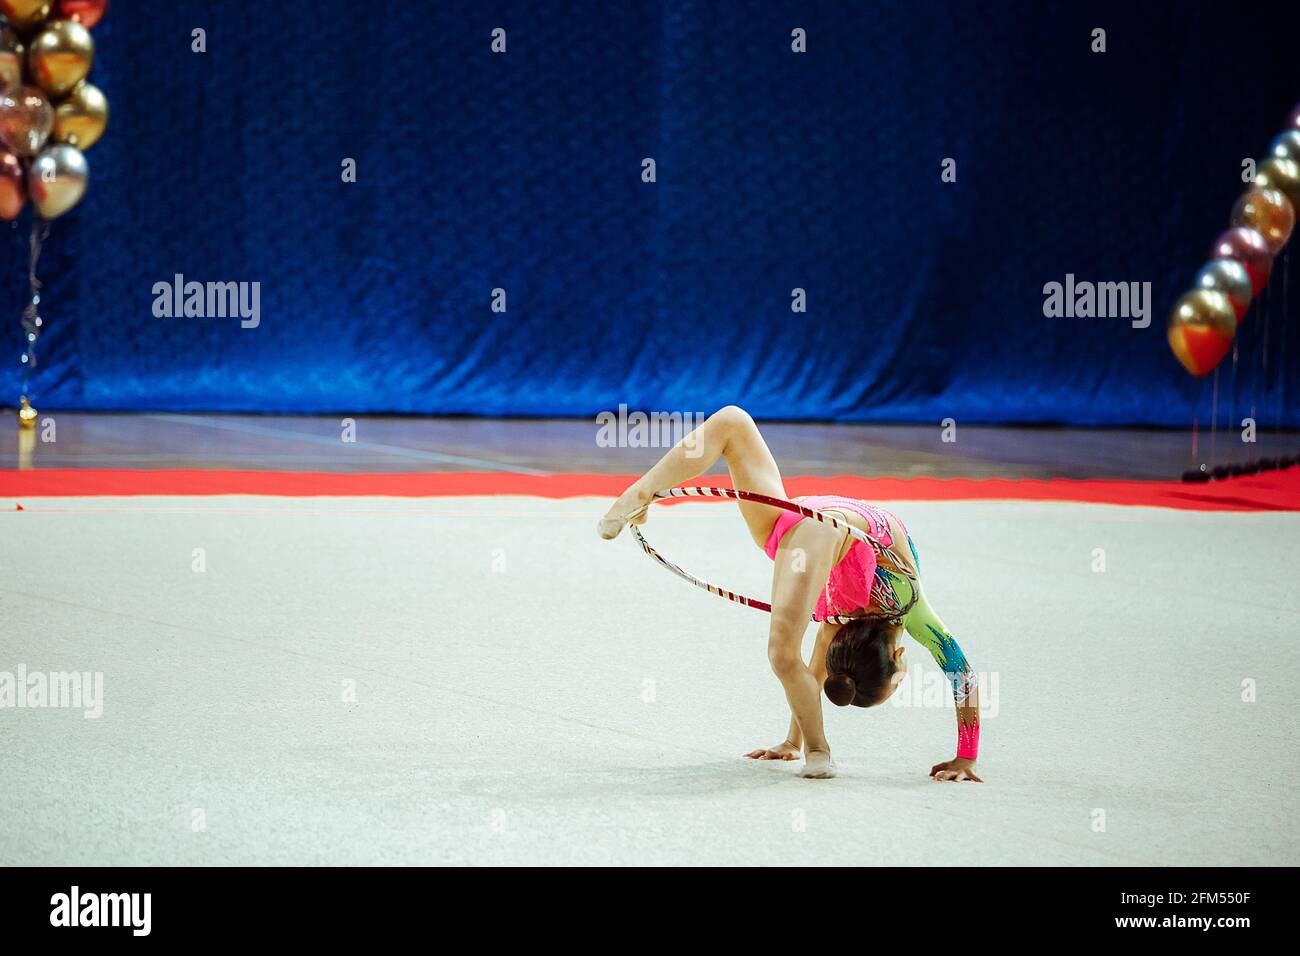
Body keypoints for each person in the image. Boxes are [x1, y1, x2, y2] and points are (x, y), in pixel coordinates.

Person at [597, 406, 980, 781]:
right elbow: (958, 672)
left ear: (898, 657)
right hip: (817, 531)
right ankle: (819, 752)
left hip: (792, 523)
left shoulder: (867, 615)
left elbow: (959, 671)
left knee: (732, 422)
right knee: (781, 653)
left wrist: (790, 740)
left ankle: (640, 491)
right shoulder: (902, 605)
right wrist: (965, 757)